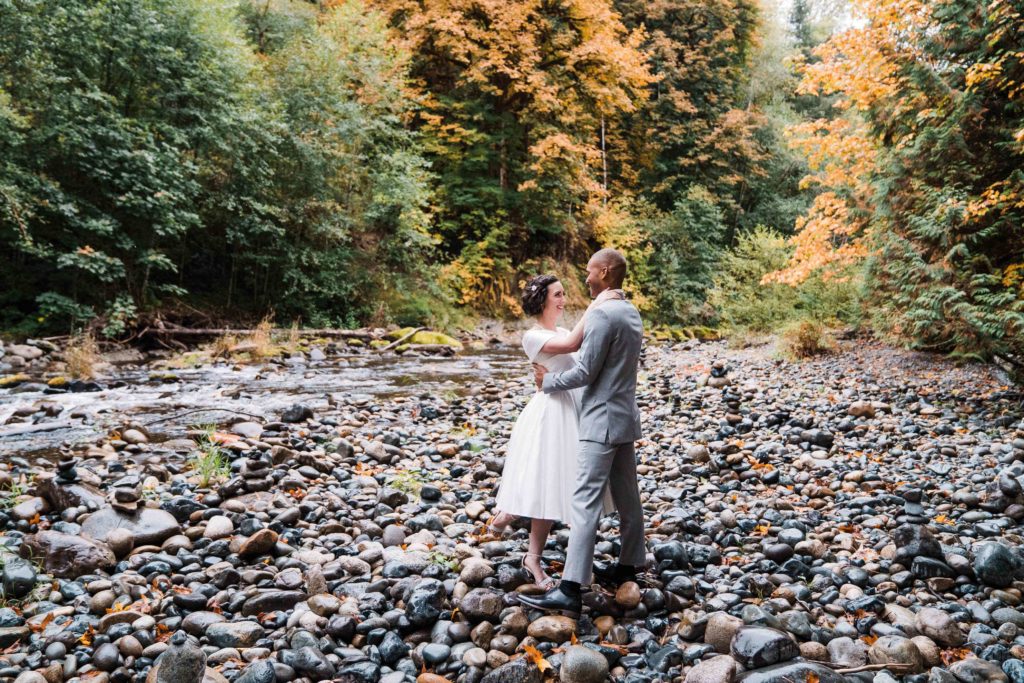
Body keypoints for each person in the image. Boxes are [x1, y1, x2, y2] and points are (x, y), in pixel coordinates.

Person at [517, 248, 646, 619]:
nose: (585, 278)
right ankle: (628, 566)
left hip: (600, 420)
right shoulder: (630, 310)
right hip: (623, 416)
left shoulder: (603, 313)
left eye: (589, 272)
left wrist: (548, 382)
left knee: (585, 502)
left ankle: (570, 589)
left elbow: (586, 371)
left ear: (604, 272)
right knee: (627, 495)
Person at [484, 274, 621, 588]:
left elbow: (585, 356)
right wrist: (597, 303)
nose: (562, 300)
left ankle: (515, 520)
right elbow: (573, 343)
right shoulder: (533, 336)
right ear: (542, 300)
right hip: (549, 413)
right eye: (557, 295)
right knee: (545, 483)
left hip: (572, 409)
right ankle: (532, 557)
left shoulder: (560, 330)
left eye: (563, 294)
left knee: (566, 482)